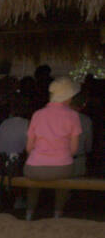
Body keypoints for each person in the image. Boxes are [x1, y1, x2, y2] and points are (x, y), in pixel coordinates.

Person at [24, 75, 82, 219]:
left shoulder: (37, 114)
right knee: (63, 183)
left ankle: (29, 213)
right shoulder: (73, 115)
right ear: (69, 97)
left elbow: (29, 148)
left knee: (33, 184)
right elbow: (74, 150)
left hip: (34, 168)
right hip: (61, 167)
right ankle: (57, 214)